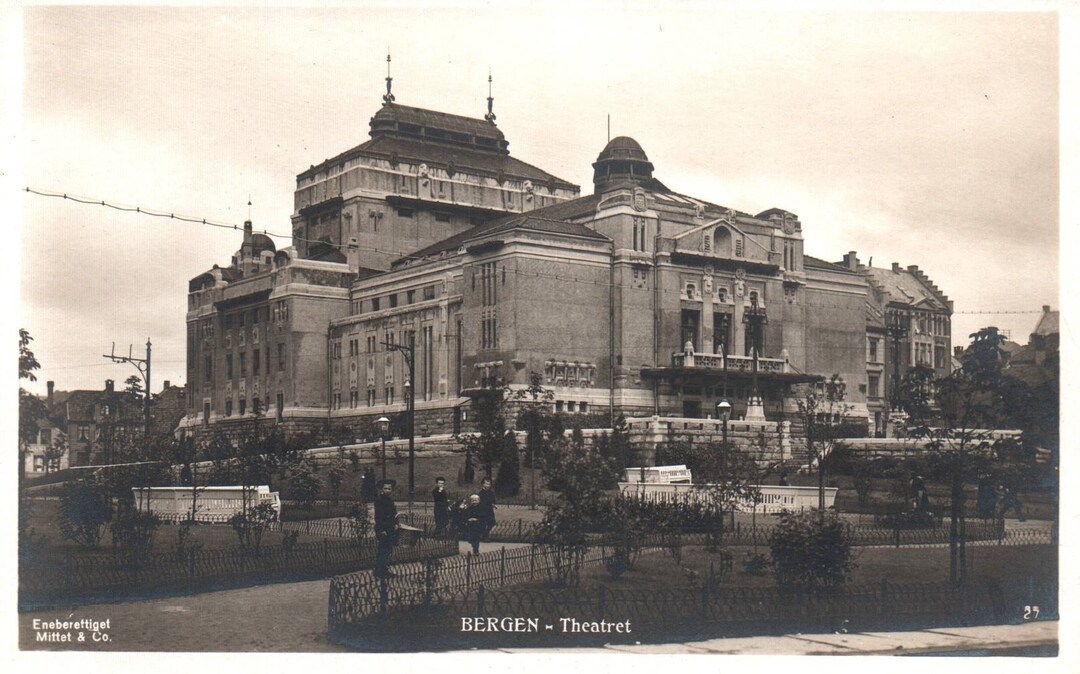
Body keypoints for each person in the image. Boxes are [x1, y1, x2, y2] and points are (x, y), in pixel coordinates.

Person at [373, 479, 399, 578]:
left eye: (389, 488)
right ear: (381, 490)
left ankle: (383, 569)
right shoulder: (379, 501)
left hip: (390, 528)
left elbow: (394, 514)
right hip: (383, 529)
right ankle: (379, 570)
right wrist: (381, 530)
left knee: (388, 549)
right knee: (383, 549)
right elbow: (378, 517)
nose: (387, 490)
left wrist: (396, 523)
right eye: (385, 488)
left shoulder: (390, 500)